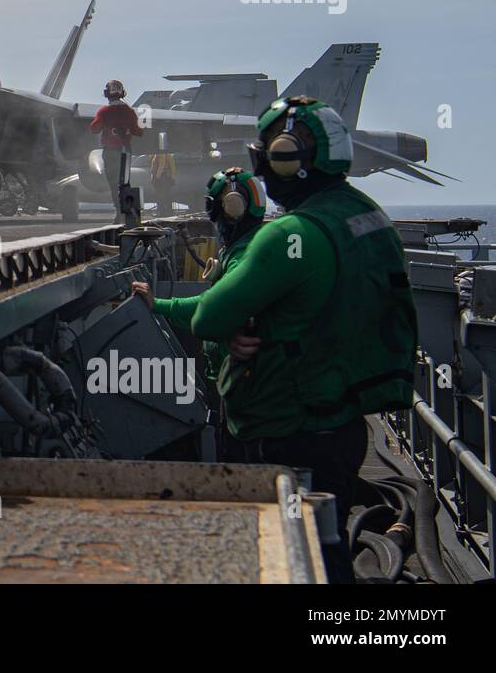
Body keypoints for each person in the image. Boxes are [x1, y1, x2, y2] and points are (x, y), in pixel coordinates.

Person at [188, 97, 418, 583]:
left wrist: (240, 324)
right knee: (324, 548)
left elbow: (207, 318)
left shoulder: (291, 234)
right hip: (344, 419)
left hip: (288, 429)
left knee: (291, 558)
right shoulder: (368, 217)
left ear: (284, 158)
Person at [132, 167, 268, 457]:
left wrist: (158, 305)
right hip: (235, 383)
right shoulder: (245, 250)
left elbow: (214, 307)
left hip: (244, 389)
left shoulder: (245, 255)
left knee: (241, 462)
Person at [89, 79, 144, 220]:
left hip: (110, 152)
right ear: (122, 92)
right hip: (126, 150)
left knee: (113, 183)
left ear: (107, 93)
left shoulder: (104, 111)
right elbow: (139, 131)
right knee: (125, 181)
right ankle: (130, 214)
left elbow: (94, 129)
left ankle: (118, 212)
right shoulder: (129, 111)